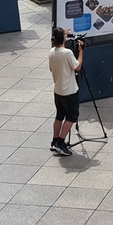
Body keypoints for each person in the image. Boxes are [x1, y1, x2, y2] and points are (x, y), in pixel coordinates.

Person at [48, 27, 83, 157]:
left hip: (57, 90)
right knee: (72, 116)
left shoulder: (52, 51)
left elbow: (51, 69)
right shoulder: (67, 53)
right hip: (69, 91)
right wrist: (81, 51)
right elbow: (77, 66)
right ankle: (61, 143)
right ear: (63, 38)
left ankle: (55, 140)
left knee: (59, 115)